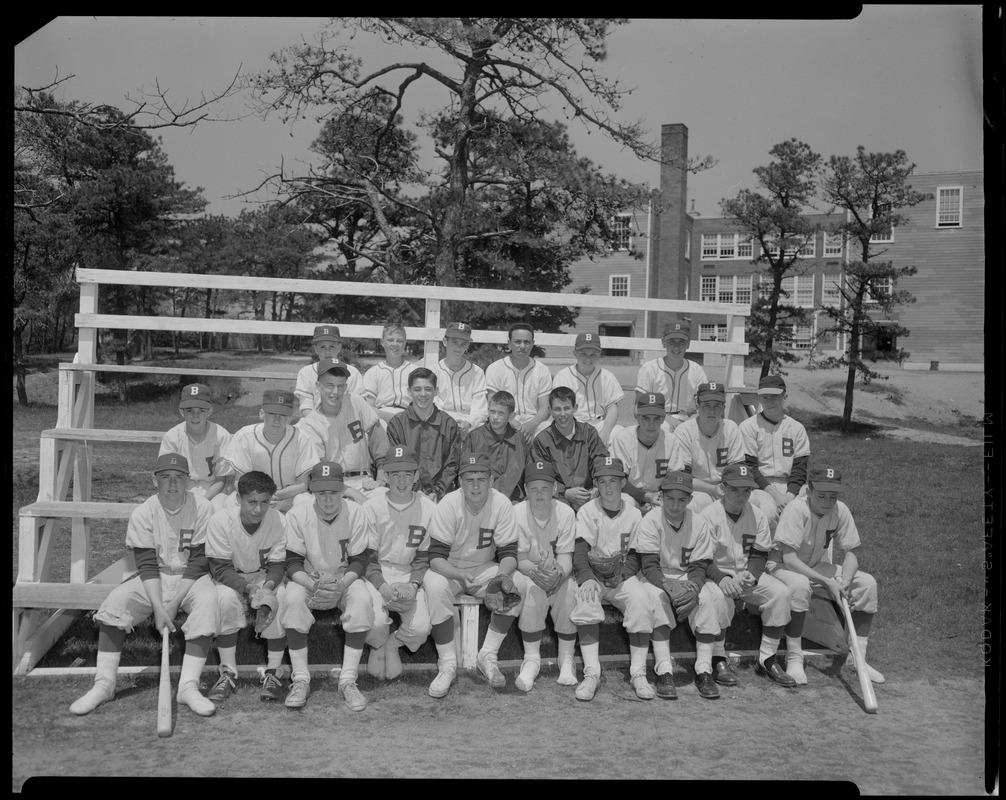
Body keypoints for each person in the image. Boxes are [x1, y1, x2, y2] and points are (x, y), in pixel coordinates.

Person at [69, 454, 218, 718]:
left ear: (189, 481)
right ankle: (104, 684)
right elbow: (147, 565)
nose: (172, 484)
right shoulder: (143, 512)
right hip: (154, 576)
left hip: (191, 577)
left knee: (207, 602)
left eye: (179, 478)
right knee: (116, 602)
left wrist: (172, 605)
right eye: (165, 477)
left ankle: (188, 686)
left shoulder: (203, 507)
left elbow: (198, 562)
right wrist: (159, 607)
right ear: (154, 480)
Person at [280, 462, 391, 712]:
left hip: (346, 576)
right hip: (308, 576)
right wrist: (313, 585)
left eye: (333, 491)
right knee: (293, 600)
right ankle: (300, 679)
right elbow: (292, 562)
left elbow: (360, 560)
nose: (328, 498)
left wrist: (340, 586)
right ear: (312, 492)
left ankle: (348, 680)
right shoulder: (298, 513)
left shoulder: (356, 512)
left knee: (362, 601)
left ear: (343, 489)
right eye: (321, 492)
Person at [767, 464, 884, 686]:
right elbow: (790, 559)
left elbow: (851, 553)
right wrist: (827, 582)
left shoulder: (841, 509)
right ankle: (794, 657)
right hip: (780, 566)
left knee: (867, 583)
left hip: (818, 566)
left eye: (833, 496)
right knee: (800, 585)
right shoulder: (796, 509)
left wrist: (846, 582)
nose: (827, 502)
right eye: (821, 496)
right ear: (809, 490)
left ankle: (858, 658)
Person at [422, 453, 525, 698]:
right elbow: (435, 558)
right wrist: (458, 574)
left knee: (516, 582)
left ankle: (487, 654)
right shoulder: (449, 503)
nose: (476, 485)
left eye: (481, 479)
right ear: (460, 482)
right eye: (469, 479)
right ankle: (447, 663)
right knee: (435, 586)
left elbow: (509, 553)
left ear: (491, 481)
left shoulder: (501, 503)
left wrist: (500, 578)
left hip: (484, 566)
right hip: (450, 567)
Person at [691, 463, 797, 688]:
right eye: (735, 489)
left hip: (746, 571)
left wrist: (753, 574)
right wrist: (722, 579)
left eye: (746, 490)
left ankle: (767, 658)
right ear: (723, 488)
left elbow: (759, 553)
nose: (741, 495)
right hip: (716, 573)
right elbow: (702, 559)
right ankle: (719, 658)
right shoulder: (709, 515)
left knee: (780, 593)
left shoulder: (758, 515)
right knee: (720, 599)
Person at [631, 471, 734, 700]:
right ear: (661, 496)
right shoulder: (650, 520)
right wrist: (670, 589)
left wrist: (694, 589)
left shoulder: (699, 522)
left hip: (688, 576)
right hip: (656, 577)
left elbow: (700, 566)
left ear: (689, 499)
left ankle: (704, 669)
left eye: (681, 499)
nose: (675, 505)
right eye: (670, 498)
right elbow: (648, 566)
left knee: (708, 600)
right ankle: (664, 669)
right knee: (658, 600)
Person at [568, 456, 656, 701]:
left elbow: (638, 554)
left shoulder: (634, 514)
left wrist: (623, 576)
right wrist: (586, 577)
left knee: (640, 601)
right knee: (585, 599)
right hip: (594, 575)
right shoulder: (587, 511)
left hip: (622, 576)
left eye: (614, 481)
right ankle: (591, 673)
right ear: (596, 484)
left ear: (623, 482)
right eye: (602, 481)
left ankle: (638, 673)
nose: (608, 487)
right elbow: (580, 552)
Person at [204, 471, 288, 703]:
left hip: (263, 577)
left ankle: (273, 672)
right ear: (239, 499)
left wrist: (268, 587)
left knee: (280, 596)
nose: (258, 509)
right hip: (231, 579)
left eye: (264, 502)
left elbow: (278, 565)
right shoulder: (220, 520)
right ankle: (228, 671)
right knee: (224, 600)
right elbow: (220, 569)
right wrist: (250, 590)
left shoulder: (278, 520)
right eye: (252, 502)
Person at [358, 445, 436, 681]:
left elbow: (424, 556)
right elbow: (367, 557)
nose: (401, 480)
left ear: (415, 476)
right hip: (376, 572)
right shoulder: (371, 506)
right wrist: (382, 587)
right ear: (386, 477)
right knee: (374, 623)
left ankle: (392, 644)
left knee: (421, 628)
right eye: (395, 474)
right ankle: (377, 645)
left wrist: (413, 585)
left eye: (407, 474)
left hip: (409, 573)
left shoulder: (429, 508)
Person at [512, 460, 579, 691]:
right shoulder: (517, 512)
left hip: (556, 572)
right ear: (525, 490)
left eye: (545, 488)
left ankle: (566, 659)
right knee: (533, 591)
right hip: (530, 572)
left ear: (555, 489)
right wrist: (537, 572)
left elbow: (567, 557)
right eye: (533, 488)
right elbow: (520, 559)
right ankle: (531, 660)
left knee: (569, 591)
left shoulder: (566, 513)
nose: (539, 493)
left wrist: (558, 574)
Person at [298, 360, 390, 503]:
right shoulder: (310, 424)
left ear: (346, 387)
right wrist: (352, 493)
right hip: (331, 488)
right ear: (318, 386)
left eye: (340, 386)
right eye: (330, 385)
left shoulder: (356, 401)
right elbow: (319, 473)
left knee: (384, 501)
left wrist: (381, 479)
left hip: (365, 481)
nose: (336, 392)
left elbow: (378, 438)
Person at [218, 389, 320, 513]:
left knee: (306, 503)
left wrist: (273, 496)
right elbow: (239, 481)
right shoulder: (244, 436)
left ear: (290, 418)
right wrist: (261, 499)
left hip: (288, 497)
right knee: (230, 503)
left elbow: (303, 484)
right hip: (254, 496)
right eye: (272, 413)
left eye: (282, 415)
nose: (277, 419)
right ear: (261, 414)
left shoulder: (302, 438)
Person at [739, 374, 811, 530]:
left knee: (816, 510)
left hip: (791, 486)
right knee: (768, 512)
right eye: (765, 397)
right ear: (759, 398)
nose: (770, 401)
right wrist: (776, 496)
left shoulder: (796, 428)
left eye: (774, 397)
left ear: (784, 397)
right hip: (762, 486)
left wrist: (789, 497)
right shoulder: (748, 427)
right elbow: (750, 468)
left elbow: (800, 469)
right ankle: (765, 552)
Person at [386, 367, 462, 502]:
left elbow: (451, 465)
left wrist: (436, 492)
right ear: (409, 391)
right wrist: (418, 491)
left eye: (428, 389)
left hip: (442, 496)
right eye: (417, 389)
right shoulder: (397, 424)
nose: (423, 394)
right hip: (407, 493)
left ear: (436, 391)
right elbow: (399, 464)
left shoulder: (449, 424)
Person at [668, 382, 744, 514]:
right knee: (693, 506)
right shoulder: (684, 431)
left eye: (717, 406)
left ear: (723, 407)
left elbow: (738, 470)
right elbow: (682, 476)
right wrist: (712, 490)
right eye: (707, 405)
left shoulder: (731, 428)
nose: (712, 411)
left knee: (754, 503)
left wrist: (728, 488)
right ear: (697, 405)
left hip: (728, 488)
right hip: (696, 489)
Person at [531, 386, 609, 513]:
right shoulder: (542, 440)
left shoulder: (589, 433)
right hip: (559, 499)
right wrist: (565, 492)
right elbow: (540, 476)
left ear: (575, 408)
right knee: (561, 511)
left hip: (589, 495)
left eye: (567, 408)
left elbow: (601, 463)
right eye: (557, 409)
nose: (562, 414)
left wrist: (597, 488)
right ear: (550, 411)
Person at [159, 383, 232, 510]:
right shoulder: (172, 437)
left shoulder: (221, 436)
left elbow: (221, 479)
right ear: (182, 411)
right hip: (181, 487)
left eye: (201, 411)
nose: (195, 416)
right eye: (190, 411)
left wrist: (203, 501)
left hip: (214, 489)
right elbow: (165, 475)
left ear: (209, 411)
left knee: (219, 511)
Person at [551, 331, 626, 446]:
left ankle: (609, 464)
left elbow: (612, 409)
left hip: (599, 424)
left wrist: (605, 432)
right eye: (583, 353)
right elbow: (560, 409)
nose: (588, 358)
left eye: (593, 354)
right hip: (572, 424)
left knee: (621, 435)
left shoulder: (607, 376)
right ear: (574, 353)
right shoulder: (563, 376)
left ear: (599, 354)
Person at [634, 320, 709, 434]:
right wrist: (668, 419)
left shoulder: (696, 369)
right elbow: (638, 408)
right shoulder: (649, 368)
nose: (676, 346)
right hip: (657, 418)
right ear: (663, 342)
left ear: (688, 344)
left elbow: (705, 405)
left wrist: (691, 420)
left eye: (682, 342)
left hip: (687, 419)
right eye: (672, 341)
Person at [484, 322, 554, 443]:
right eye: (517, 341)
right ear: (509, 343)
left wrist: (532, 425)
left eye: (527, 342)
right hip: (504, 419)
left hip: (534, 422)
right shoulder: (495, 368)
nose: (522, 346)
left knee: (549, 431)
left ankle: (541, 463)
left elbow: (545, 408)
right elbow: (492, 403)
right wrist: (513, 423)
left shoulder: (542, 370)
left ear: (532, 343)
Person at [609, 391, 674, 512]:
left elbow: (675, 476)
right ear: (638, 417)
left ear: (663, 418)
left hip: (659, 495)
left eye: (656, 418)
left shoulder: (671, 441)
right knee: (625, 503)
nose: (651, 424)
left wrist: (661, 496)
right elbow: (618, 478)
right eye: (646, 418)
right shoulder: (623, 439)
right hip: (630, 494)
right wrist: (643, 497)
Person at [462, 390, 529, 502]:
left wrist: (502, 500)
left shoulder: (518, 439)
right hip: (479, 496)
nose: (495, 417)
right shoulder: (474, 437)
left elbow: (517, 473)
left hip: (511, 498)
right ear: (487, 411)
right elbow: (466, 472)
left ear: (511, 416)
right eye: (492, 412)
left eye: (501, 413)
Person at [294, 324, 364, 417]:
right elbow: (306, 407)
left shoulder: (353, 373)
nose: (327, 352)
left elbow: (358, 406)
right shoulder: (306, 373)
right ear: (315, 349)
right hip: (314, 423)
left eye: (332, 346)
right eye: (322, 347)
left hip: (345, 423)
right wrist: (320, 425)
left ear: (339, 347)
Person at [434, 321, 488, 437]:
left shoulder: (476, 372)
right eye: (454, 342)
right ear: (445, 342)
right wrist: (449, 422)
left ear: (468, 346)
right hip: (443, 423)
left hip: (471, 424)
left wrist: (469, 423)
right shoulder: (434, 371)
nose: (458, 347)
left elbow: (480, 405)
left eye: (463, 343)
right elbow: (435, 403)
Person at [361, 322, 418, 424]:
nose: (395, 344)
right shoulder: (373, 372)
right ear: (382, 342)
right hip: (381, 418)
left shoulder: (415, 372)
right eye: (390, 340)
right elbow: (368, 407)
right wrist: (390, 417)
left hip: (409, 419)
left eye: (399, 341)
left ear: (405, 343)